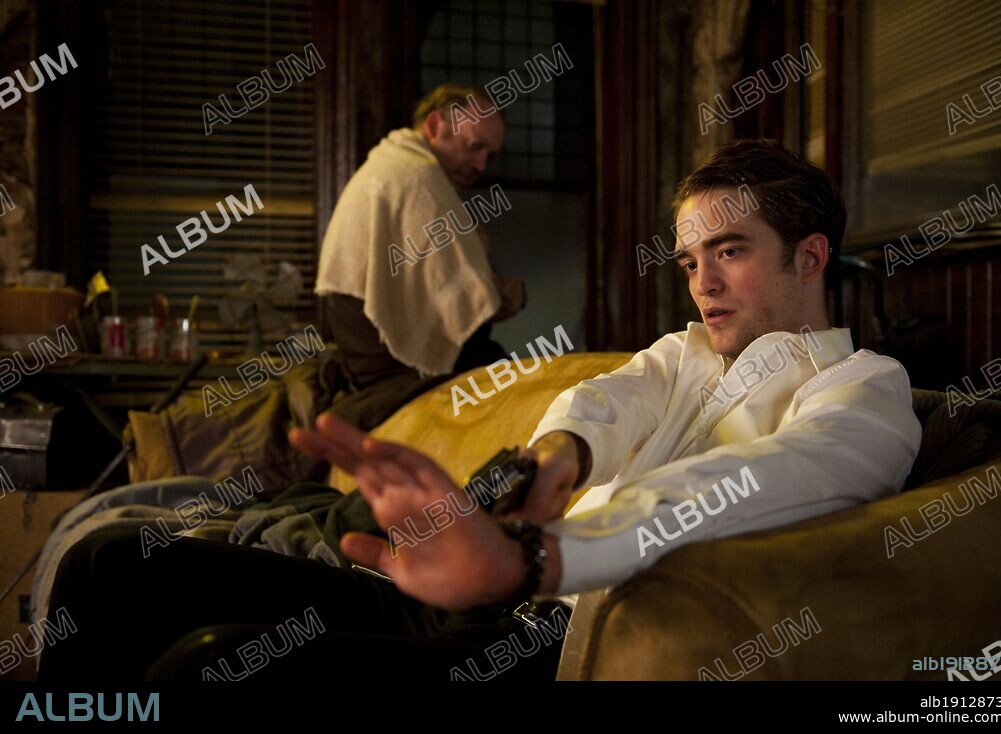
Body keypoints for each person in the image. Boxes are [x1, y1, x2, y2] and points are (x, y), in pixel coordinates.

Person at [36, 140, 921, 681]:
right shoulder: (686, 352)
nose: (703, 284)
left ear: (810, 257)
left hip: (550, 641)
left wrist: (534, 559)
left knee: (203, 666)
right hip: (476, 598)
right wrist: (558, 455)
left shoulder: (864, 391)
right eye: (690, 260)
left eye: (729, 252)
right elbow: (607, 399)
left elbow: (753, 482)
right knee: (109, 564)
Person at [316, 83, 526, 430]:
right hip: (391, 368)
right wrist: (509, 297)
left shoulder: (391, 163)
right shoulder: (419, 176)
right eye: (474, 146)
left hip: (368, 358)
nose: (480, 164)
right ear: (433, 126)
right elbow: (470, 313)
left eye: (489, 156)